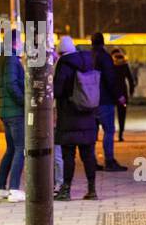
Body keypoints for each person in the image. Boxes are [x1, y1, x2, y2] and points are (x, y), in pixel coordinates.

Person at [53, 35, 100, 200]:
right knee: (88, 155)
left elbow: (57, 91)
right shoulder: (88, 62)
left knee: (68, 156)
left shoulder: (63, 65)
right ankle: (92, 189)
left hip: (69, 117)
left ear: (60, 51)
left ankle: (66, 190)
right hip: (88, 115)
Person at [0, 29, 26, 202]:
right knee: (21, 148)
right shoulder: (12, 59)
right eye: (20, 41)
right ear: (15, 43)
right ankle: (14, 189)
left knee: (11, 149)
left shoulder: (0, 59)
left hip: (5, 111)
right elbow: (12, 84)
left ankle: (0, 188)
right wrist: (24, 102)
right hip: (15, 112)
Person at [90, 33, 126, 171]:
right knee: (109, 130)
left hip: (90, 101)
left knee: (93, 133)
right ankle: (109, 161)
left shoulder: (89, 57)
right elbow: (110, 79)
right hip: (104, 100)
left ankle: (91, 161)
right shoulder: (105, 58)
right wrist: (118, 96)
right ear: (103, 42)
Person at [111, 48, 137, 141]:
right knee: (122, 114)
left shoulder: (110, 64)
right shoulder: (125, 65)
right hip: (122, 94)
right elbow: (130, 79)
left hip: (111, 93)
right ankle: (120, 134)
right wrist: (131, 91)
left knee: (110, 114)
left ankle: (109, 133)